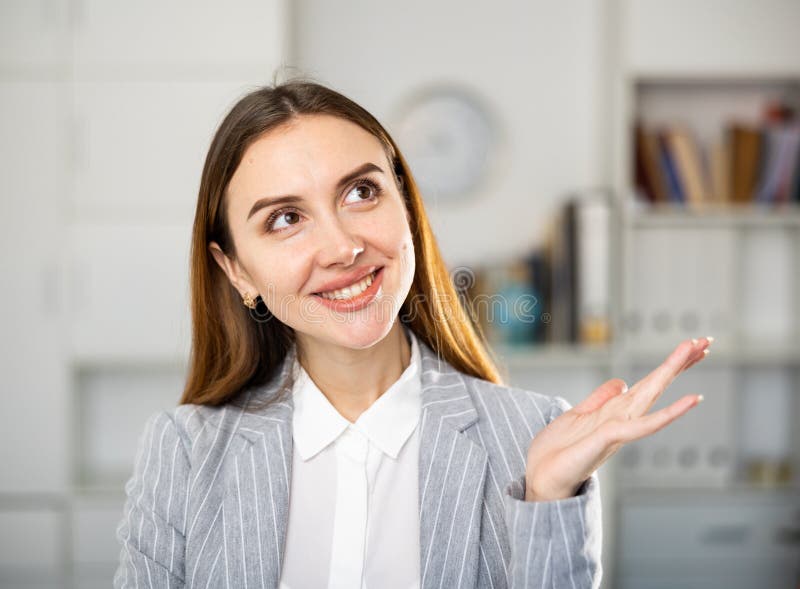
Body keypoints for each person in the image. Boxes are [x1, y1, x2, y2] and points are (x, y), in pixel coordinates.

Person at [113, 79, 713, 589]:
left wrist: (549, 502)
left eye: (361, 191)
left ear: (406, 206)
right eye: (286, 219)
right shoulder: (185, 452)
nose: (343, 246)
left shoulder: (531, 441)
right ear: (237, 269)